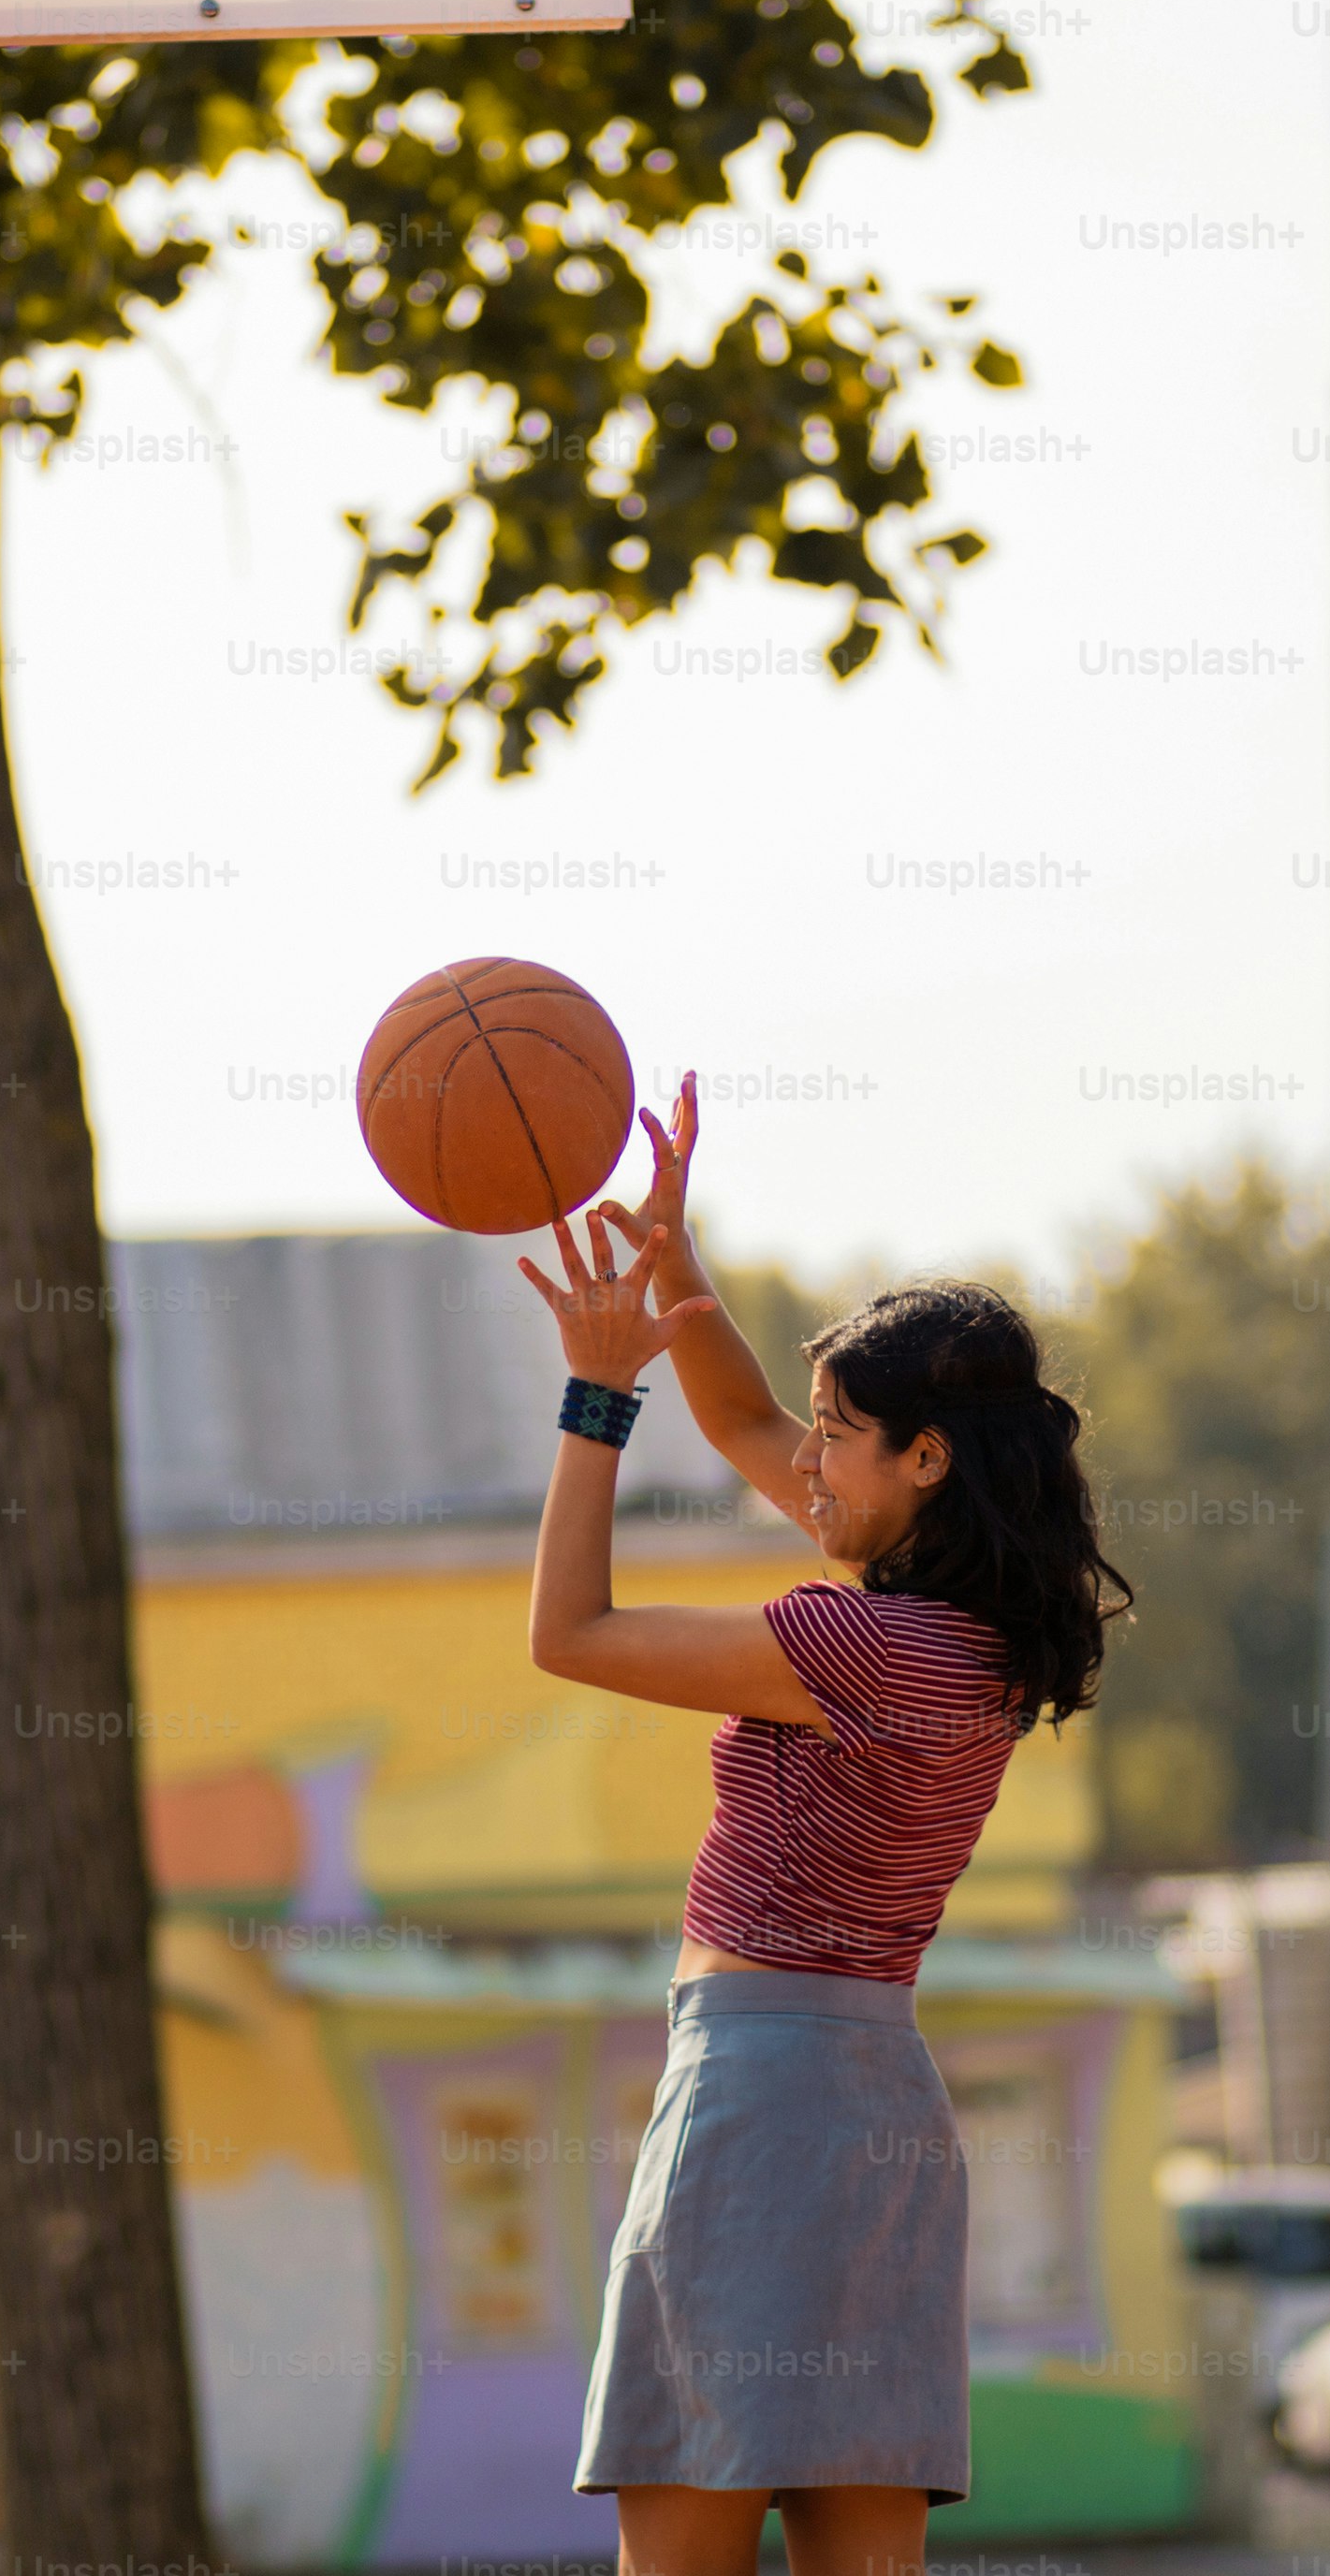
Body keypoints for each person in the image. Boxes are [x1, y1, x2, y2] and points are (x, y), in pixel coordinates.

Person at [513, 1074, 1126, 2576]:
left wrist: (597, 1394)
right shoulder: (962, 1629)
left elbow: (571, 1633)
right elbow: (739, 1416)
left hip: (761, 2110)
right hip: (879, 2112)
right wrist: (676, 1276)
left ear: (924, 1459)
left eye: (839, 1433)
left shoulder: (859, 1645)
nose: (807, 1457)